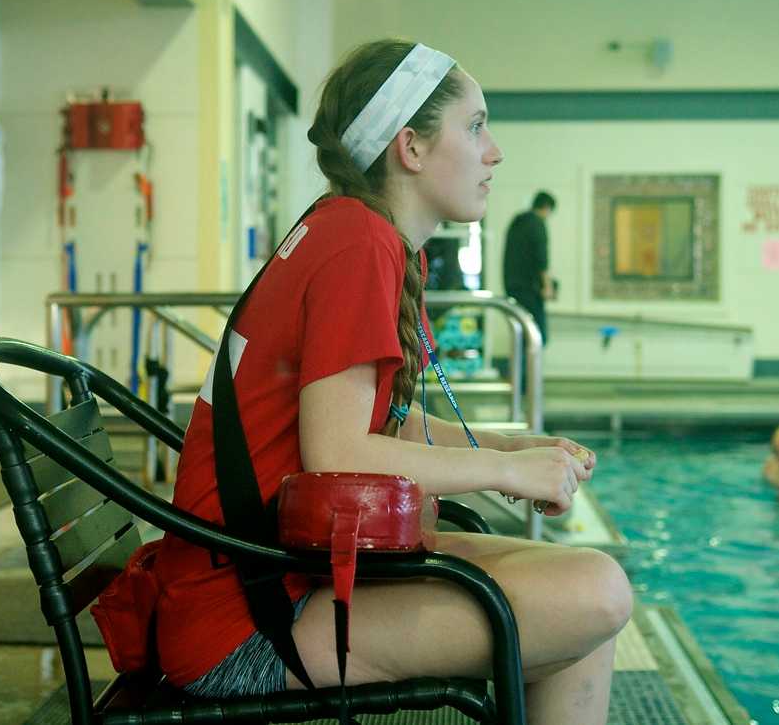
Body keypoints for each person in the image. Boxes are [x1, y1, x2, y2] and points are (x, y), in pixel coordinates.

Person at [153, 40, 631, 724]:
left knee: (585, 605)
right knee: (598, 593)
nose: (493, 151)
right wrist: (509, 473)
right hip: (249, 615)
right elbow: (340, 452)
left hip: (281, 572)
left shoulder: (354, 233)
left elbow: (377, 421)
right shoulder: (358, 246)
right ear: (410, 147)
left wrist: (511, 447)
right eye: (475, 126)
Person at [503, 191, 556, 345]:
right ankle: (530, 369)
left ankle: (521, 369)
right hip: (530, 290)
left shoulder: (517, 221)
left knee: (520, 336)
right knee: (537, 337)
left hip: (512, 287)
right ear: (546, 207)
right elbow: (541, 259)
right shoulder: (538, 224)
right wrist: (547, 286)